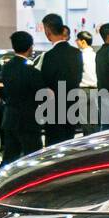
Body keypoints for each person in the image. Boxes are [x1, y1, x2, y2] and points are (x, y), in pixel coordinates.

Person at [0, 31, 45, 164]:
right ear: (30, 47)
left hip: (10, 117)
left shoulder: (7, 68)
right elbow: (41, 95)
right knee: (33, 157)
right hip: (28, 119)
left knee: (9, 157)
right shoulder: (32, 71)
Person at [38, 13, 83, 144]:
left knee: (53, 145)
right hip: (72, 104)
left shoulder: (49, 56)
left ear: (47, 31)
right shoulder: (76, 53)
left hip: (53, 108)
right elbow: (78, 77)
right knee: (68, 144)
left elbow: (45, 81)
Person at [75, 30, 97, 134]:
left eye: (77, 40)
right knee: (94, 121)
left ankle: (87, 145)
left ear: (83, 41)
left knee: (85, 121)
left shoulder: (79, 57)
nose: (76, 42)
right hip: (96, 90)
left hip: (83, 90)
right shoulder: (96, 56)